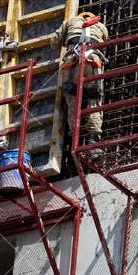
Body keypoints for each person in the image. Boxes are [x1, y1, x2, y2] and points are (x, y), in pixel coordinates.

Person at [53, 10, 108, 162]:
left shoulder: (69, 22)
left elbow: (54, 42)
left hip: (72, 61)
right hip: (92, 61)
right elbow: (104, 42)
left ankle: (74, 141)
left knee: (72, 100)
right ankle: (93, 140)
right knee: (94, 100)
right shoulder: (101, 26)